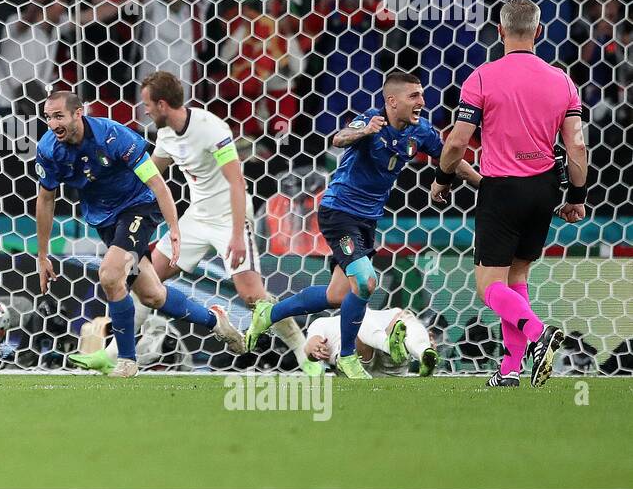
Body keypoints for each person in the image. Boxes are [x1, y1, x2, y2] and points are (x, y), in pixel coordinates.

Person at [245, 71, 481, 378]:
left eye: (422, 94)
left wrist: (483, 184)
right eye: (414, 96)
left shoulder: (420, 131)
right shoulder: (371, 120)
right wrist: (364, 131)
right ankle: (347, 356)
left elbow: (450, 158)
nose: (422, 101)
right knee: (367, 282)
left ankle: (270, 313)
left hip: (367, 220)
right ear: (391, 102)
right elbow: (339, 138)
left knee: (337, 295)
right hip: (339, 212)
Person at [431, 0, 588, 388]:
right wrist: (578, 197)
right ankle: (509, 370)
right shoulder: (563, 81)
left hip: (501, 189)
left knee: (488, 287)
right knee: (517, 276)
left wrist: (443, 178)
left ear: (499, 31)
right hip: (544, 189)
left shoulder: (481, 78)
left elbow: (456, 144)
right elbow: (577, 147)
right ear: (538, 31)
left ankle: (539, 334)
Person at [34, 90, 246, 379]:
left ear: (78, 113)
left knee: (110, 275)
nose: (52, 123)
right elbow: (46, 199)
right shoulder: (49, 149)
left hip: (138, 207)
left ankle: (126, 360)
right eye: (48, 117)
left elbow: (157, 184)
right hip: (104, 219)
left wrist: (173, 228)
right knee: (152, 295)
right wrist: (42, 255)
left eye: (59, 116)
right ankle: (215, 321)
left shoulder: (113, 136)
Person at [135, 71, 313, 370]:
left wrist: (235, 235)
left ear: (163, 104)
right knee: (145, 281)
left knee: (253, 297)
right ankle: (118, 354)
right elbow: (152, 173)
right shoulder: (165, 133)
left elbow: (236, 182)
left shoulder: (211, 128)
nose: (146, 111)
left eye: (148, 104)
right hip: (196, 217)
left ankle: (302, 351)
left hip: (230, 218)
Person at [301, 307, 440, 377]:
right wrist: (314, 349)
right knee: (358, 319)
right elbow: (310, 346)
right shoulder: (323, 323)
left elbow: (407, 326)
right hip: (356, 369)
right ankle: (392, 346)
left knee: (404, 317)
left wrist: (424, 341)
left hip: (392, 368)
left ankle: (424, 353)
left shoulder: (386, 314)